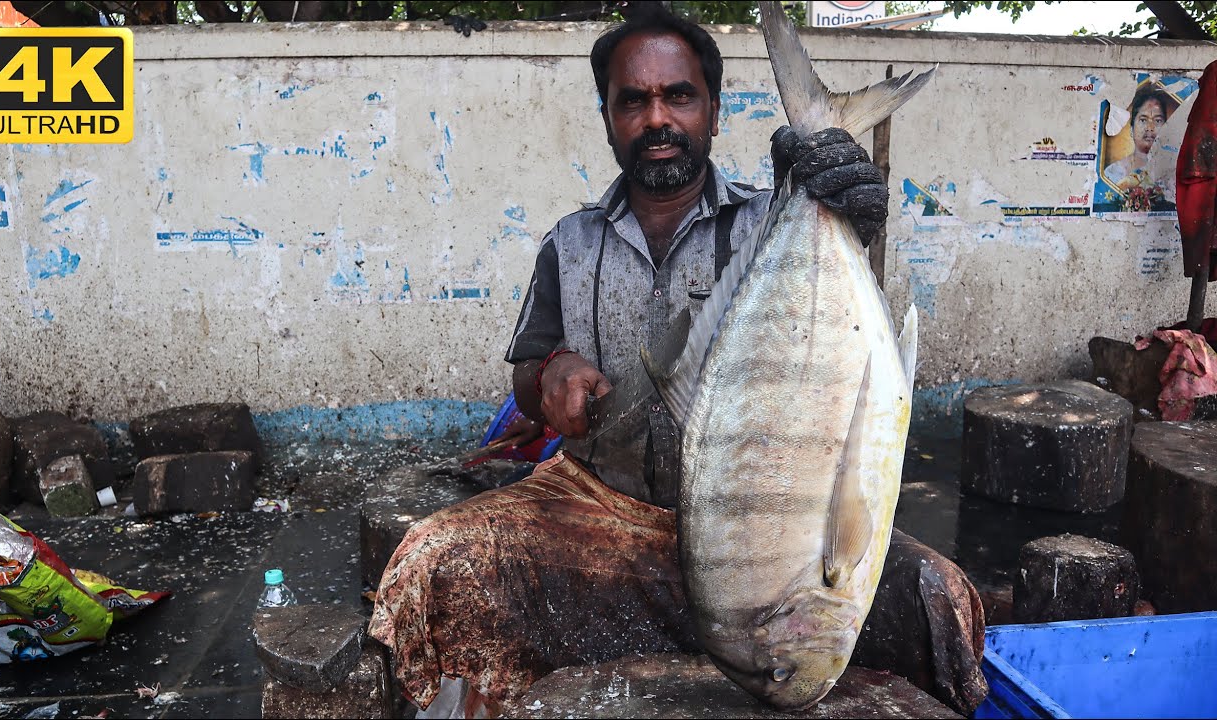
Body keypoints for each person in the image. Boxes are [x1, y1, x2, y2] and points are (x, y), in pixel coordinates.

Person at [368, 7, 985, 718]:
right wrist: (548, 380)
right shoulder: (567, 245)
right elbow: (528, 368)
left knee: (938, 596)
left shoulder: (772, 221)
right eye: (634, 100)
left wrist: (845, 205)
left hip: (766, 536)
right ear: (608, 116)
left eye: (679, 96)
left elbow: (849, 332)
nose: (657, 117)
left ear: (714, 111)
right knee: (429, 561)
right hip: (599, 512)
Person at [1105, 85, 1173, 190]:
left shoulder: (1173, 175)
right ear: (1131, 129)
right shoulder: (1112, 175)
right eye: (1143, 120)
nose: (1150, 128)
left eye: (1158, 120)